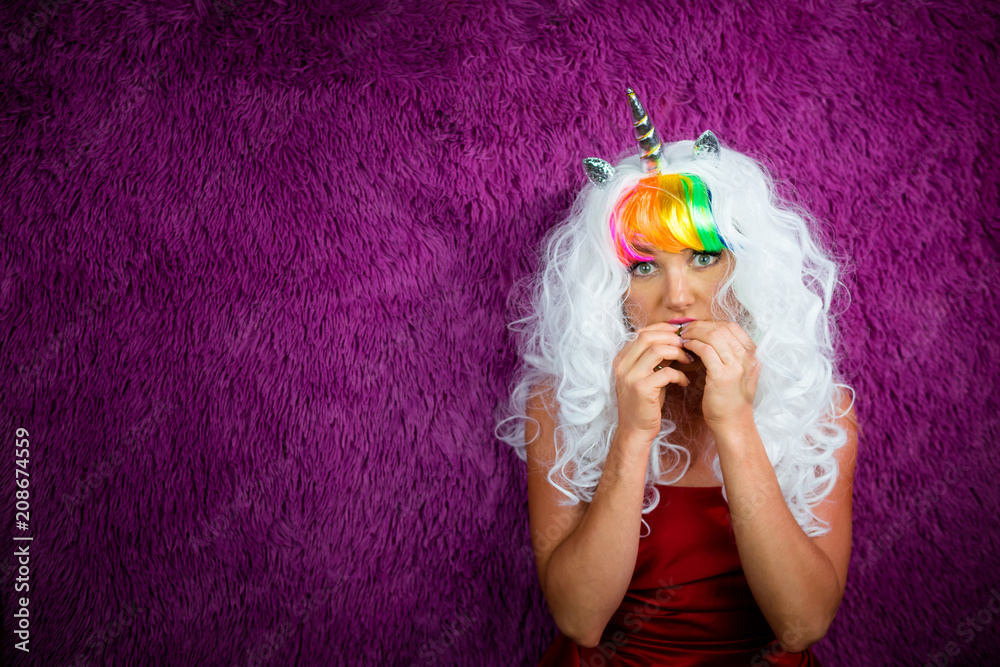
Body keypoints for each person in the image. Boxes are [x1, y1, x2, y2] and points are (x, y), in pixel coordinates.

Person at [494, 87, 860, 665]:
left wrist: (735, 425)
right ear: (609, 292)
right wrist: (631, 434)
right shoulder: (560, 405)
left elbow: (802, 625)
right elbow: (580, 621)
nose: (679, 296)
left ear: (748, 269)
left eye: (704, 257)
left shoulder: (819, 408)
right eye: (644, 267)